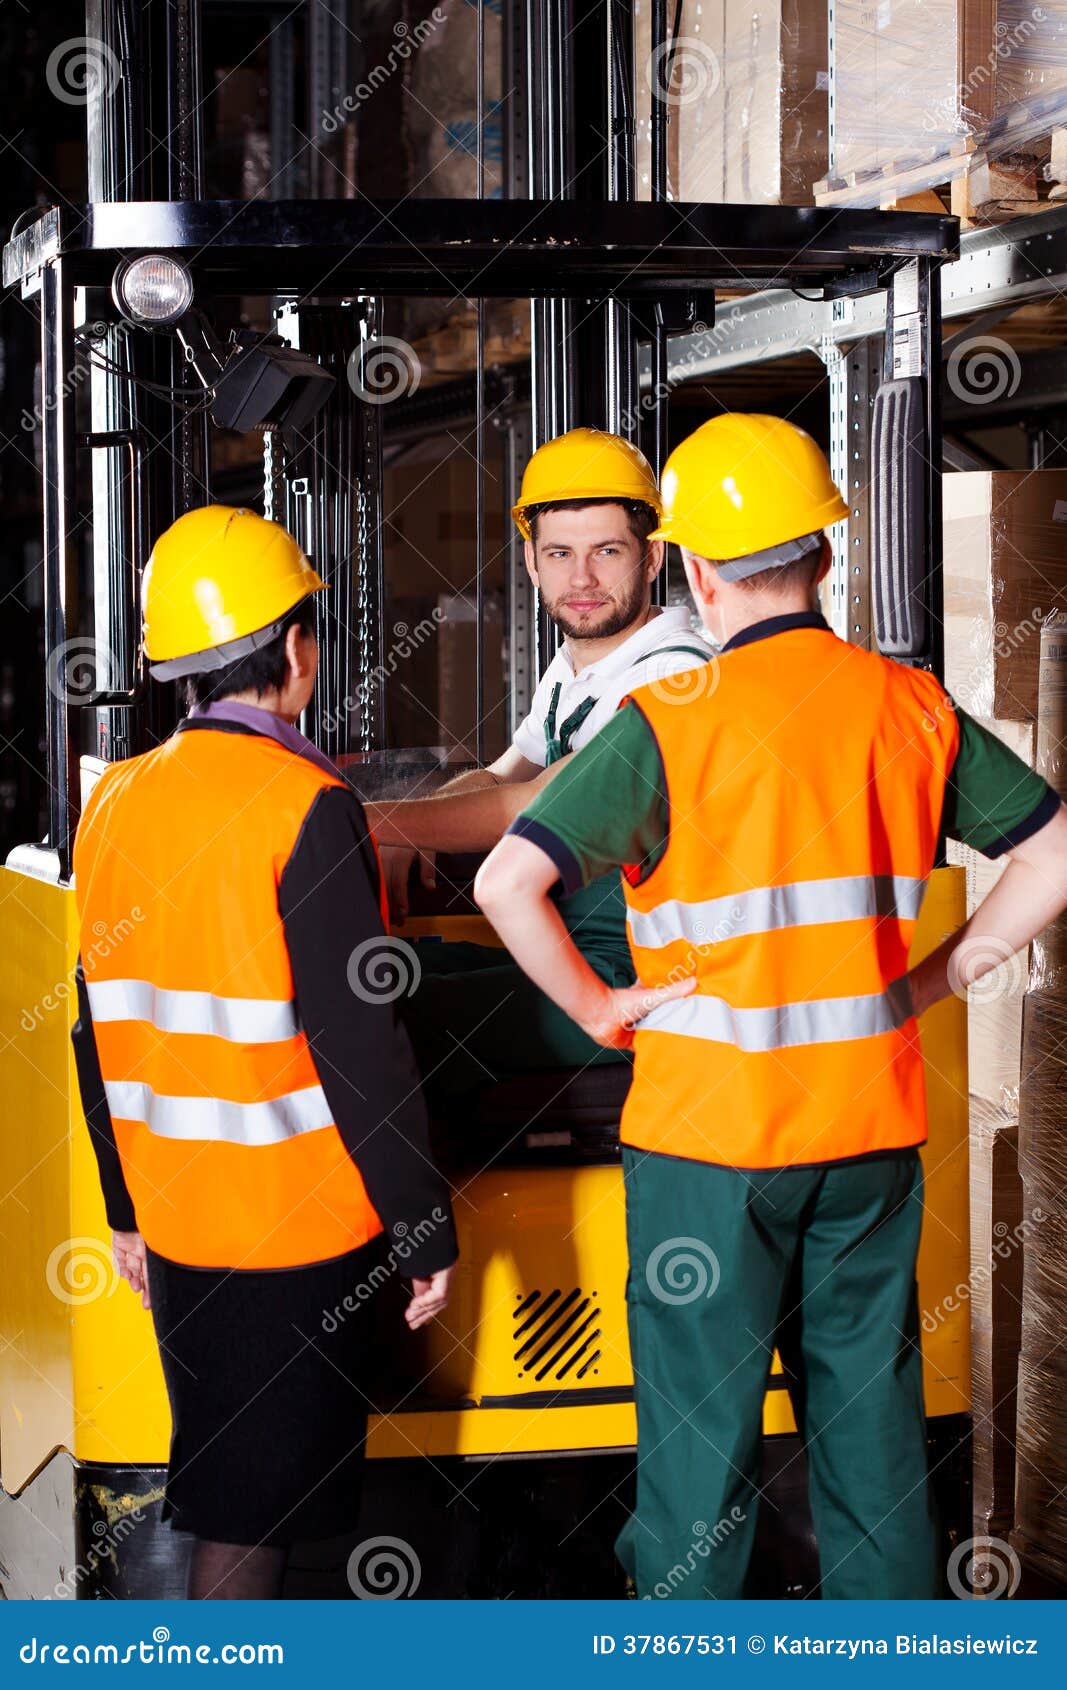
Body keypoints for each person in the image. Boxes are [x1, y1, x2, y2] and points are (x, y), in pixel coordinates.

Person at [472, 412, 1067, 1599]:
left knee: (701, 1454)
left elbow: (506, 878)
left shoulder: (667, 723)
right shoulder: (909, 707)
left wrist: (599, 1009)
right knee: (873, 1444)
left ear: (687, 567)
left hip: (706, 1142)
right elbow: (1052, 849)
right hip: (864, 1132)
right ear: (826, 559)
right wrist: (942, 975)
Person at [71, 505, 458, 1600]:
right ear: (296, 648)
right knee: (252, 1523)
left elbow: (92, 1026)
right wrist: (423, 1224)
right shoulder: (306, 803)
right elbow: (359, 1048)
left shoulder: (115, 802)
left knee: (233, 1498)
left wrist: (125, 1209)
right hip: (289, 1237)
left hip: (183, 1221)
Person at [364, 428, 713, 1098]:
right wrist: (411, 824)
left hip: (639, 978)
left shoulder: (674, 674)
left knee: (376, 1013)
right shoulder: (580, 664)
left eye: (605, 552)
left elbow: (531, 805)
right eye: (559, 554)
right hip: (573, 953)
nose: (580, 579)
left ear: (651, 558)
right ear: (530, 561)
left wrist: (376, 822)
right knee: (382, 969)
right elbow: (498, 777)